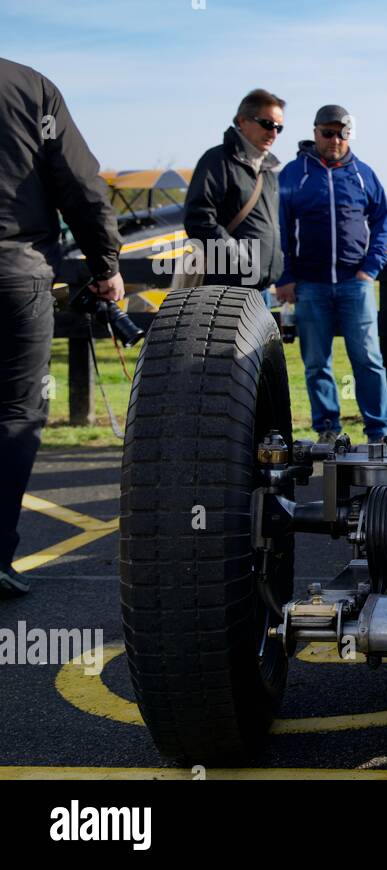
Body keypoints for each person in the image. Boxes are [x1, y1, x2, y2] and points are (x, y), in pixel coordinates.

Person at [0, 58, 122, 597]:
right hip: (15, 272)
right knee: (15, 412)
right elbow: (78, 183)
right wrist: (106, 265)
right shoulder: (31, 86)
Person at [276, 105, 387, 445]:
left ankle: (378, 433)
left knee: (368, 359)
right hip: (309, 285)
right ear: (315, 133)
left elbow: (382, 220)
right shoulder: (294, 174)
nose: (336, 139)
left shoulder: (363, 174)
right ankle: (327, 430)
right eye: (328, 132)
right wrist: (285, 276)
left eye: (342, 133)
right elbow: (279, 226)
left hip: (355, 284)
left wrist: (370, 268)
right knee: (316, 362)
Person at [183, 89, 285, 300]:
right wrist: (239, 259)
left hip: (262, 287)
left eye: (279, 127)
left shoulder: (268, 170)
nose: (273, 133)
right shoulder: (217, 160)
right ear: (242, 121)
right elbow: (198, 220)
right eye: (267, 124)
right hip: (226, 288)